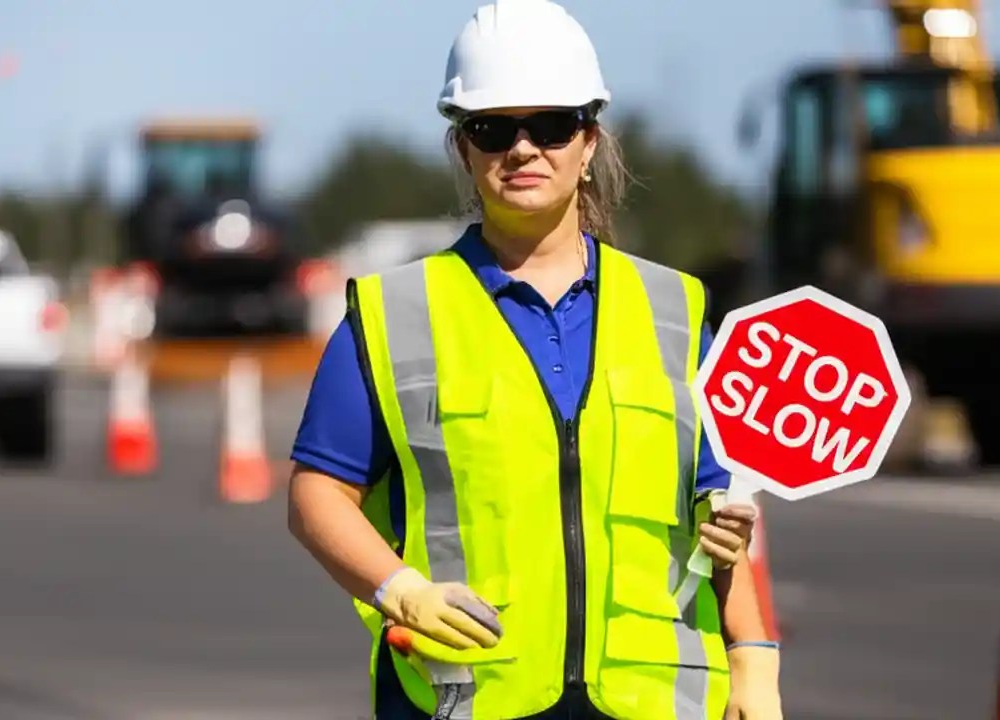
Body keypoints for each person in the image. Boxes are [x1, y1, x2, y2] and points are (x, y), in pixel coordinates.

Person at [287, 1, 784, 717]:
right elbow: (317, 496)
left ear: (588, 144)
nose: (523, 150)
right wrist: (402, 592)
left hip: (654, 699)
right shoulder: (395, 316)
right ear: (463, 149)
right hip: (466, 694)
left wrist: (753, 658)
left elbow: (725, 505)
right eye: (493, 130)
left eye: (550, 127)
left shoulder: (677, 312)